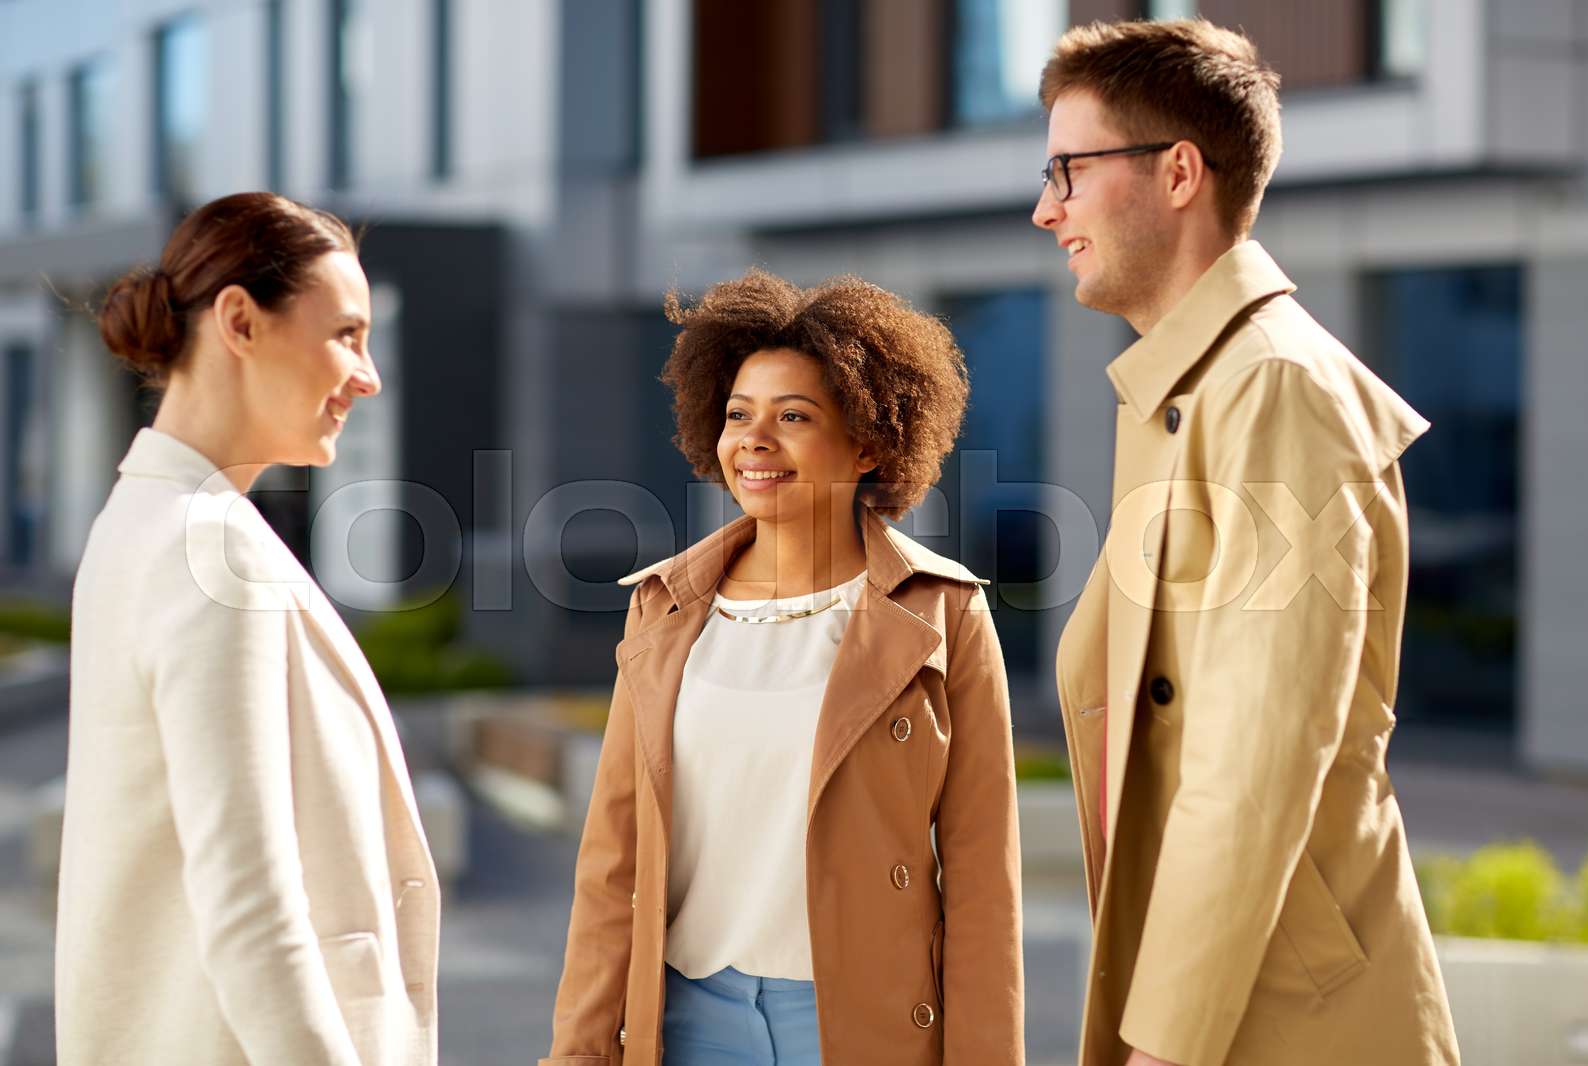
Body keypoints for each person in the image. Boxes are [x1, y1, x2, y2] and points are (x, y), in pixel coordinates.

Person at [1032, 19, 1460, 1066]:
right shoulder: (1195, 389)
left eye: (1068, 171)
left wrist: (1168, 1044)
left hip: (1282, 1020)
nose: (1047, 209)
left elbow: (1257, 747)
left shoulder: (1270, 389)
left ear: (1178, 173)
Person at [540, 270, 1024, 1066]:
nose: (754, 441)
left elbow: (982, 885)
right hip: (685, 1017)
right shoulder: (663, 606)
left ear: (868, 441)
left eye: (793, 416)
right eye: (738, 415)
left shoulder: (944, 615)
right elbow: (610, 864)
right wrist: (578, 1052)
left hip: (858, 1026)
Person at [57, 192, 439, 1066]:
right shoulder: (209, 556)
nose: (368, 374)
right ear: (240, 321)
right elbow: (252, 910)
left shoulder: (143, 517)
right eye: (346, 333)